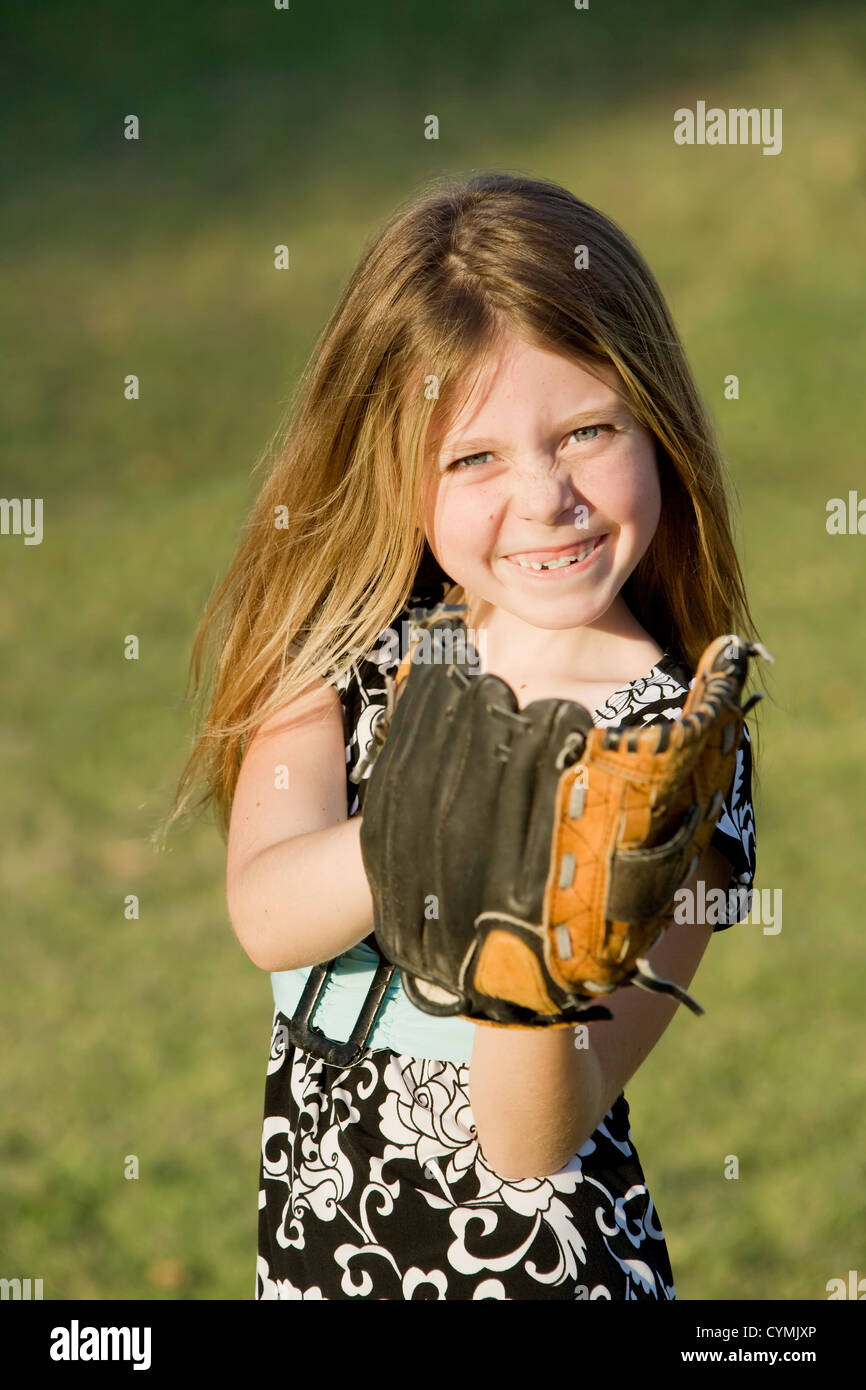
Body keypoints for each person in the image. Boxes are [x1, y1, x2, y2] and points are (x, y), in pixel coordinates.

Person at [161, 172, 763, 1300]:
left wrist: (536, 968)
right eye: (473, 457)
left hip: (541, 1274)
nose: (544, 497)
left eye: (585, 431)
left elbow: (533, 1141)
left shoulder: (684, 750)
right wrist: (444, 818)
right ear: (395, 467)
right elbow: (266, 911)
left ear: (658, 427)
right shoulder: (349, 638)